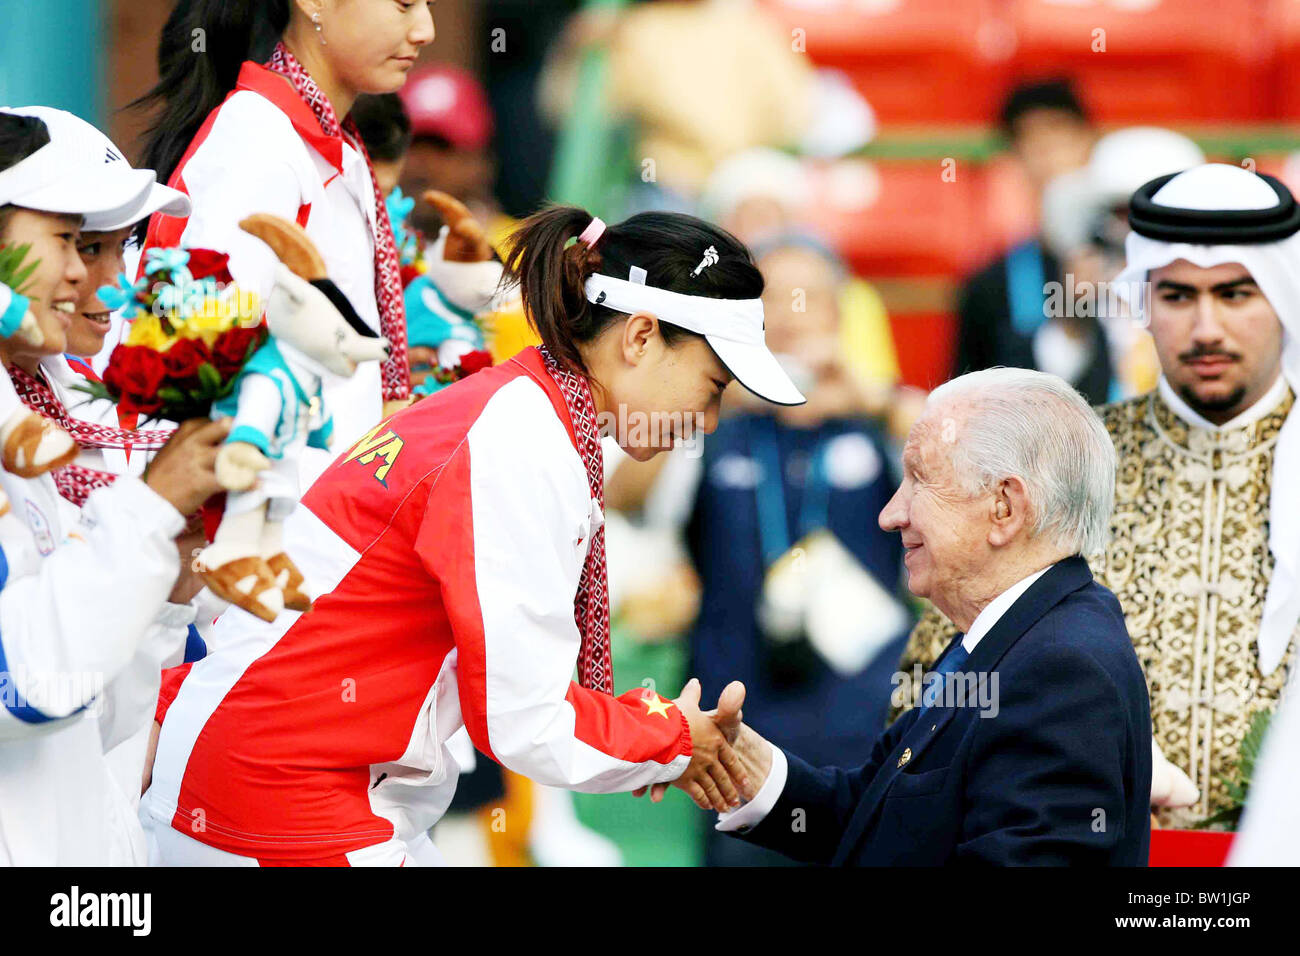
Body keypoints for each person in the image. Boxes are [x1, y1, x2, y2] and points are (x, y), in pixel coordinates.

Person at [142, 207, 797, 866]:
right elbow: (523, 720)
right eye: (712, 388)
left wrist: (663, 737)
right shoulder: (522, 442)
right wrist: (672, 739)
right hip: (279, 792)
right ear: (641, 337)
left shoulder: (526, 412)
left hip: (297, 779)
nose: (709, 421)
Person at [902, 163, 1300, 829]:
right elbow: (936, 696)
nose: (1206, 329)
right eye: (1176, 297)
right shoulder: (1060, 462)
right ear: (1142, 302)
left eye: (1236, 295)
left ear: (1285, 296)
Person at [704, 368, 1152, 866]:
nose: (891, 514)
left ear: (1004, 507)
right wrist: (741, 761)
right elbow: (872, 817)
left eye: (920, 480)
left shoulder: (1061, 670)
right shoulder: (1008, 637)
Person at [0, 110, 228, 865]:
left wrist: (166, 579)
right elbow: (26, 684)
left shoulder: (47, 405)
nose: (99, 282)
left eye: (109, 246)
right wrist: (148, 508)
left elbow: (100, 716)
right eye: (72, 241)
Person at [133, 0, 437, 489]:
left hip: (321, 515)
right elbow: (199, 374)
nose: (425, 29)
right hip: (269, 523)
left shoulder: (336, 142)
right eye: (404, 4)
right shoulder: (258, 144)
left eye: (430, 4)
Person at [682, 236, 914, 865]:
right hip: (736, 733)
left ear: (839, 314)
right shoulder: (709, 424)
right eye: (767, 300)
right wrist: (712, 397)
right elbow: (619, 493)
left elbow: (968, 455)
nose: (787, 314)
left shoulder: (875, 423)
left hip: (864, 723)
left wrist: (872, 399)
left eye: (804, 299)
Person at [953, 78, 1113, 404]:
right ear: (1012, 158)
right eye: (1028, 139)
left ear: (1090, 142)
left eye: (1058, 132)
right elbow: (965, 406)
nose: (1046, 152)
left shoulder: (1142, 257)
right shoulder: (988, 287)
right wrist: (1071, 321)